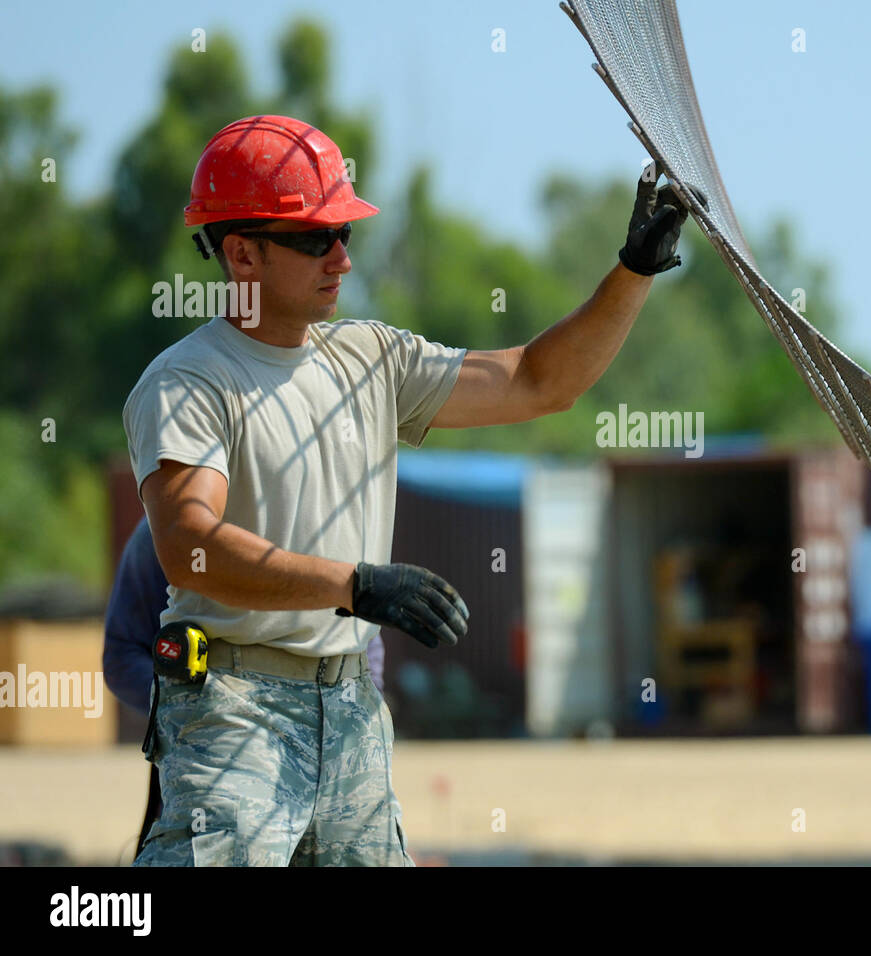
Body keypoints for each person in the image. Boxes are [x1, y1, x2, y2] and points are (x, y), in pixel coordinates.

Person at [123, 114, 697, 866]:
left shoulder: (371, 358)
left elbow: (538, 380)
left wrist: (634, 271)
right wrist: (354, 586)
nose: (340, 258)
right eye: (313, 238)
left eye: (345, 235)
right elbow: (192, 549)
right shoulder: (191, 381)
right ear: (241, 253)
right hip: (235, 711)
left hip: (351, 708)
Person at [101, 514, 385, 858]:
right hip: (212, 772)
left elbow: (364, 652)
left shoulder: (330, 527)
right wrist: (199, 703)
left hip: (328, 776)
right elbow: (121, 654)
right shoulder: (168, 533)